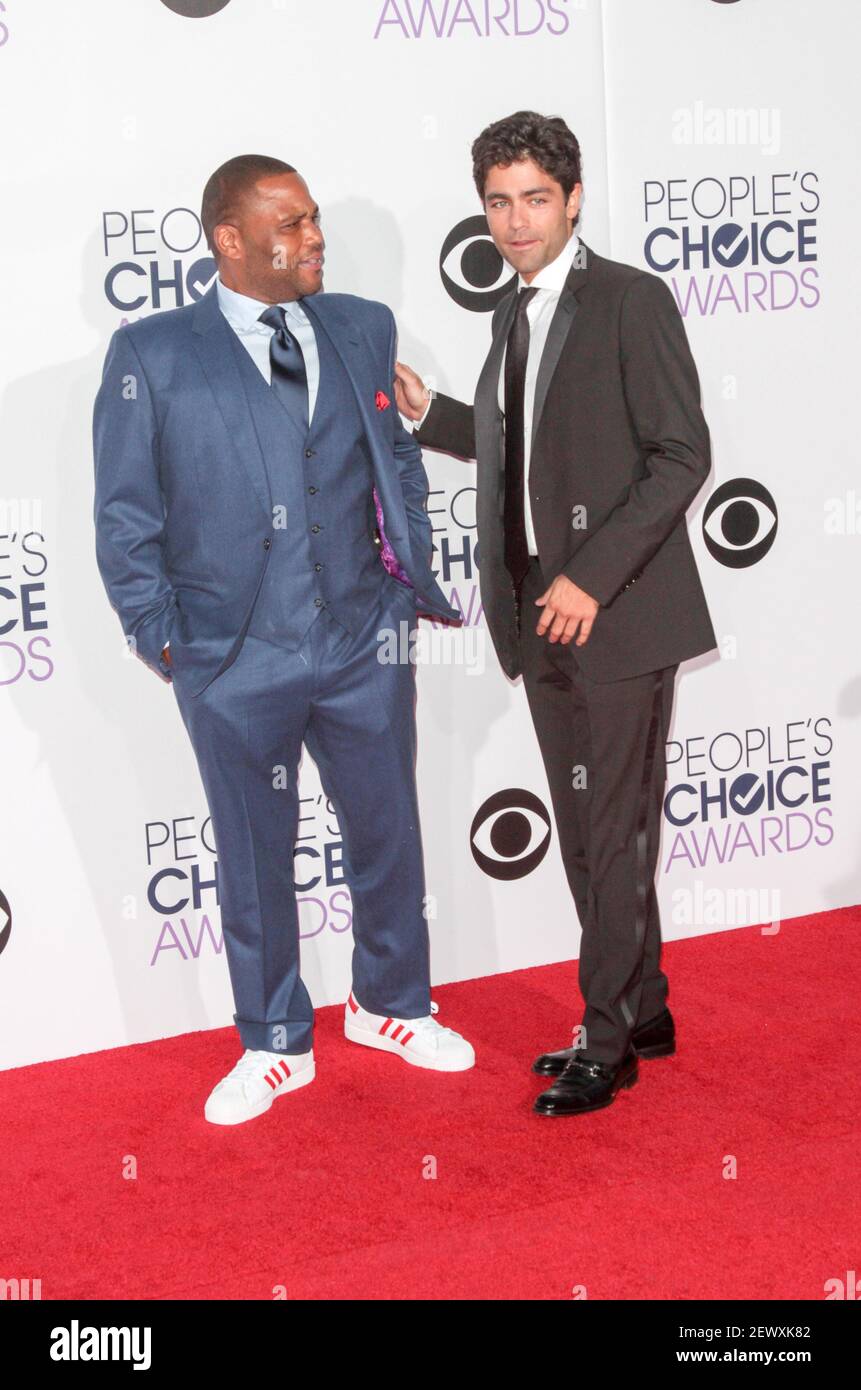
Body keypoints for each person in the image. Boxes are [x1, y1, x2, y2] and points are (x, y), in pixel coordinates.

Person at [93, 154, 474, 1127]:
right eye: (295, 224)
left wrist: (401, 581)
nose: (315, 239)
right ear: (230, 240)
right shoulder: (154, 355)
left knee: (387, 832)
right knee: (255, 853)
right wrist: (173, 645)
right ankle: (273, 1040)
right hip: (232, 659)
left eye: (314, 222)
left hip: (361, 640)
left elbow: (395, 456)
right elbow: (126, 520)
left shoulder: (358, 325)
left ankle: (391, 1004)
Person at [395, 111, 717, 1117]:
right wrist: (431, 416)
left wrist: (590, 576)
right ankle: (646, 1005)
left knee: (609, 832)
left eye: (535, 197)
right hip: (538, 621)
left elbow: (682, 458)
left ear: (573, 199)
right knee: (589, 830)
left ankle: (607, 1038)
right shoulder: (514, 314)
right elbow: (522, 443)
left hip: (616, 617)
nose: (516, 218)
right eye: (499, 200)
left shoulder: (628, 298)